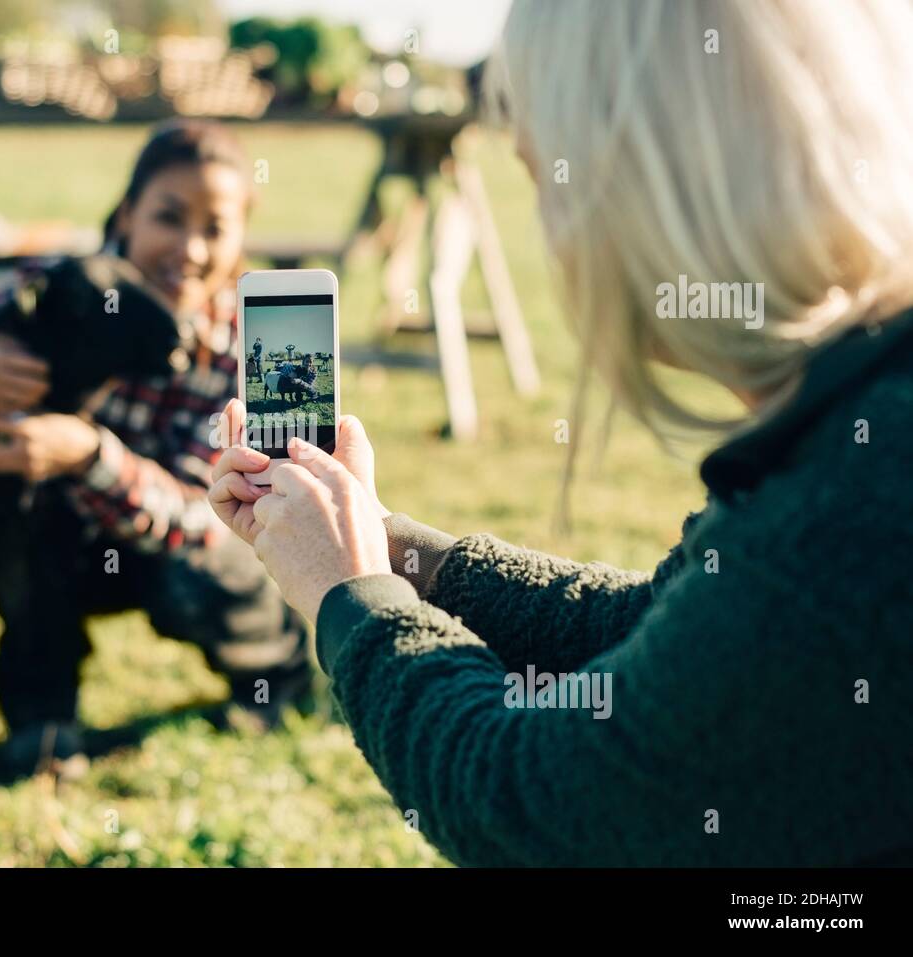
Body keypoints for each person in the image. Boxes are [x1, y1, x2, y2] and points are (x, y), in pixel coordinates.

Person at [209, 0, 913, 866]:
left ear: (648, 182)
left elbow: (534, 800)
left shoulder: (842, 520)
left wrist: (351, 601)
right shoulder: (861, 428)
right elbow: (648, 631)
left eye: (547, 174)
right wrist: (375, 547)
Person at [0, 121, 311, 767]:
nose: (188, 248)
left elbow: (200, 512)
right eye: (168, 216)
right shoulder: (61, 293)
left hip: (178, 544)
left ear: (242, 238)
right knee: (25, 525)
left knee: (205, 562)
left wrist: (87, 454)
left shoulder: (257, 345)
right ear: (127, 215)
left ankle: (277, 674)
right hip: (63, 544)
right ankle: (42, 717)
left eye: (214, 227)